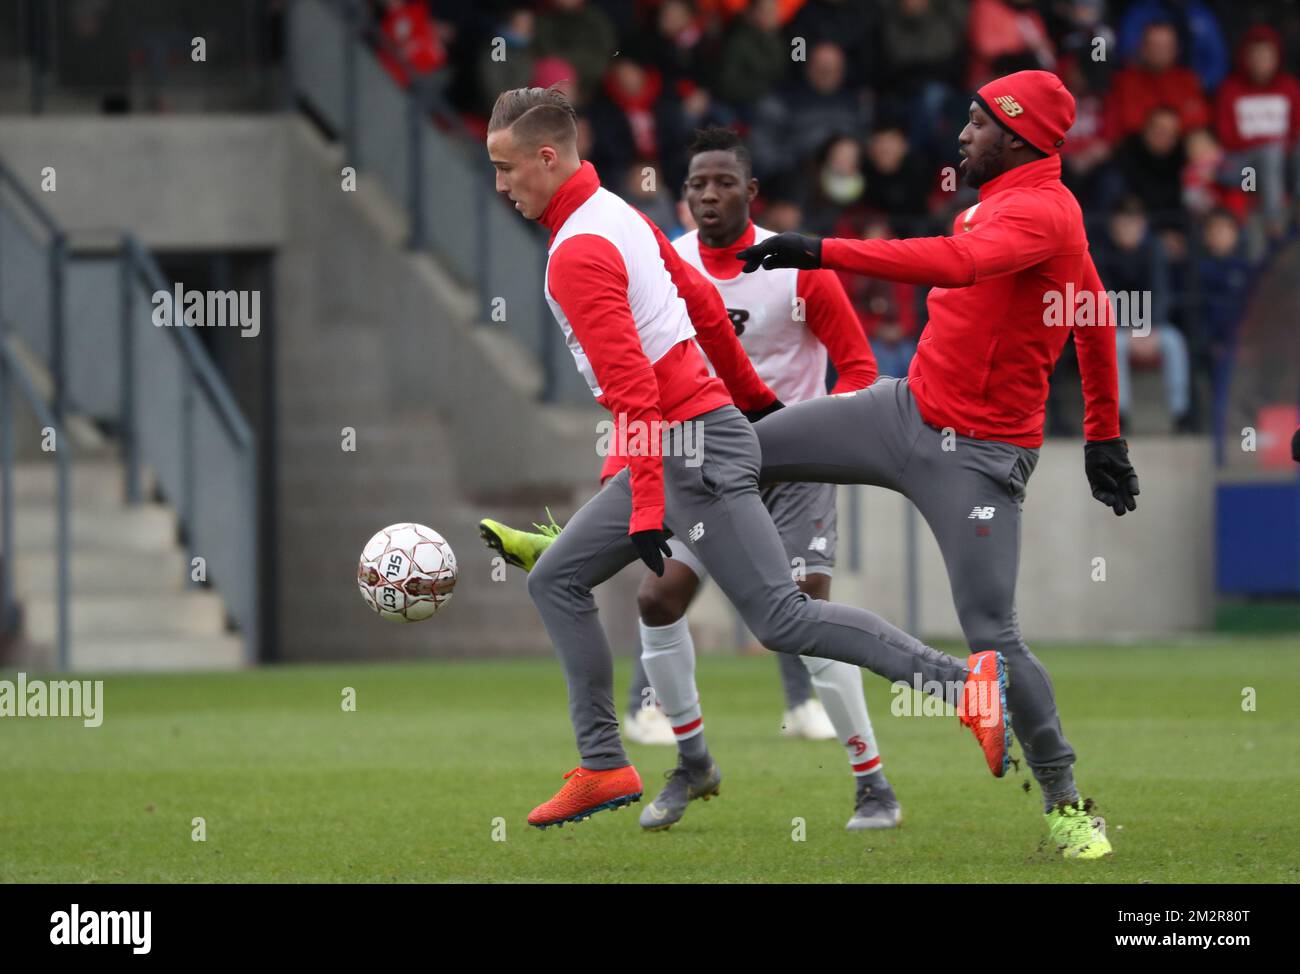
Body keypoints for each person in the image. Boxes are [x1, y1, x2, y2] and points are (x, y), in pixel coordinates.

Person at [484, 85, 1006, 839]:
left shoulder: (578, 251)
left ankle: (963, 690)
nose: (501, 185)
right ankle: (603, 763)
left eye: (506, 168)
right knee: (559, 578)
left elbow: (634, 390)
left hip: (688, 446)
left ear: (545, 156)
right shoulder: (615, 216)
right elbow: (698, 302)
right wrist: (755, 404)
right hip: (696, 438)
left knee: (783, 617)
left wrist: (648, 504)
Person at [735, 70, 1140, 860]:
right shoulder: (1018, 201)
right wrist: (1103, 436)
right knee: (736, 451)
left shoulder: (1043, 211)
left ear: (1018, 135)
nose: (963, 134)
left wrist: (821, 248)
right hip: (901, 411)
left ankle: (1065, 803)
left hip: (979, 460)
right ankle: (576, 547)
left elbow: (958, 267)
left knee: (993, 635)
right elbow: (1091, 315)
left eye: (978, 121)